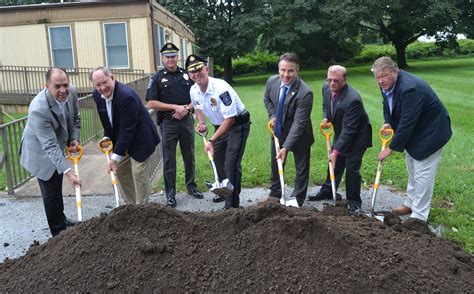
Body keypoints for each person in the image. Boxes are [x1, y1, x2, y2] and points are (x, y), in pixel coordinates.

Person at [372, 56, 452, 222]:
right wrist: (387, 121)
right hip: (416, 131)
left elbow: (407, 123)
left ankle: (419, 216)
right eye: (377, 77)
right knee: (412, 168)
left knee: (423, 172)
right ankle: (410, 203)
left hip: (431, 132)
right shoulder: (387, 84)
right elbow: (387, 104)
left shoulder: (410, 88)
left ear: (395, 71)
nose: (380, 81)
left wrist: (390, 148)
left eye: (384, 76)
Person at [20, 67, 81, 237]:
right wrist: (69, 172)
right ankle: (58, 234)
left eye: (65, 85)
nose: (63, 90)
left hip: (56, 144)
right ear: (46, 86)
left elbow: (76, 117)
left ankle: (61, 219)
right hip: (39, 152)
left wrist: (73, 139)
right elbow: (50, 146)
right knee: (50, 191)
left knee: (57, 185)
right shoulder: (38, 109)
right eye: (57, 86)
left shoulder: (72, 92)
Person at [186, 54, 251, 209]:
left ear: (206, 69)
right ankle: (225, 191)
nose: (197, 74)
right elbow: (197, 107)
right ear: (189, 75)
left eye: (199, 69)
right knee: (217, 161)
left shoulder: (220, 88)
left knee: (231, 165)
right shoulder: (194, 90)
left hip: (237, 125)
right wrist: (201, 122)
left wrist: (211, 140)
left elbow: (230, 119)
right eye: (192, 71)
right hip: (220, 127)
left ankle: (232, 206)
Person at [90, 66, 160, 205]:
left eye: (105, 82)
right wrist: (106, 137)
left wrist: (114, 159)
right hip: (123, 139)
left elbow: (127, 130)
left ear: (112, 78)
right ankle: (130, 208)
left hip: (141, 139)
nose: (102, 88)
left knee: (138, 174)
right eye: (98, 84)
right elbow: (107, 120)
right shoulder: (97, 95)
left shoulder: (126, 96)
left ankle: (143, 210)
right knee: (121, 171)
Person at [308, 65, 372, 214]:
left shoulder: (352, 100)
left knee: (351, 168)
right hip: (341, 130)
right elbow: (326, 106)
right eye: (329, 80)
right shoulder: (326, 88)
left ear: (345, 80)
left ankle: (354, 202)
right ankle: (328, 191)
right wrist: (326, 117)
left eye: (336, 81)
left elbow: (349, 131)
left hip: (357, 136)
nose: (331, 84)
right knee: (335, 165)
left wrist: (335, 152)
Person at [146, 42, 203, 208]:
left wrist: (185, 108)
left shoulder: (187, 75)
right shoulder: (157, 78)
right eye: (167, 57)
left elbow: (197, 98)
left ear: (178, 57)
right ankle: (170, 193)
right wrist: (174, 107)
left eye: (173, 56)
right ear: (162, 58)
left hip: (186, 121)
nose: (171, 60)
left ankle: (191, 187)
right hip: (168, 123)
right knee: (169, 159)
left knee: (189, 156)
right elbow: (151, 103)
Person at [263, 52, 314, 207]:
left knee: (301, 168)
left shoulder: (305, 93)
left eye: (290, 71)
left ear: (297, 71)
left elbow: (299, 123)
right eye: (283, 70)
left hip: (299, 135)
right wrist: (272, 115)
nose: (286, 75)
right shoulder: (272, 81)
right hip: (278, 132)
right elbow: (267, 99)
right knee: (276, 164)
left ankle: (297, 200)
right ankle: (275, 195)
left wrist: (286, 147)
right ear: (279, 69)